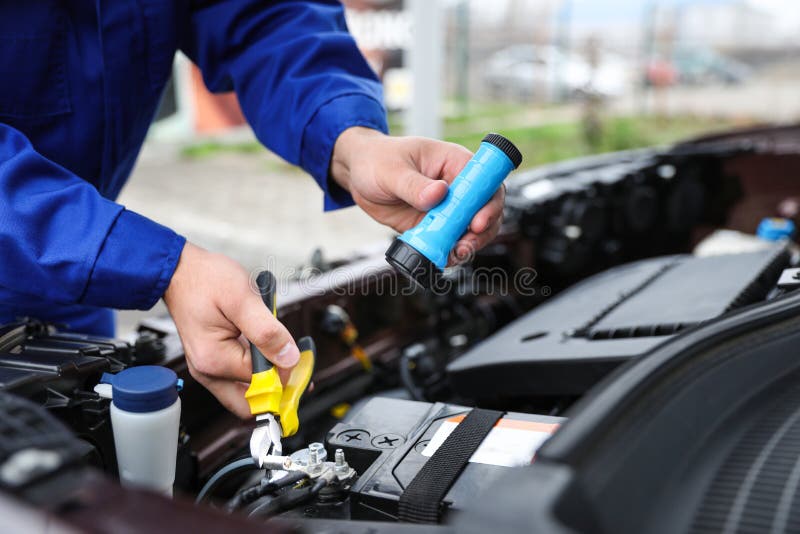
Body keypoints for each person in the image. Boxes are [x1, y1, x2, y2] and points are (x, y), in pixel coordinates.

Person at [0, 2, 504, 417]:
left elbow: (267, 16)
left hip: (72, 289)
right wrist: (156, 265)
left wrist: (351, 142)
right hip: (72, 254)